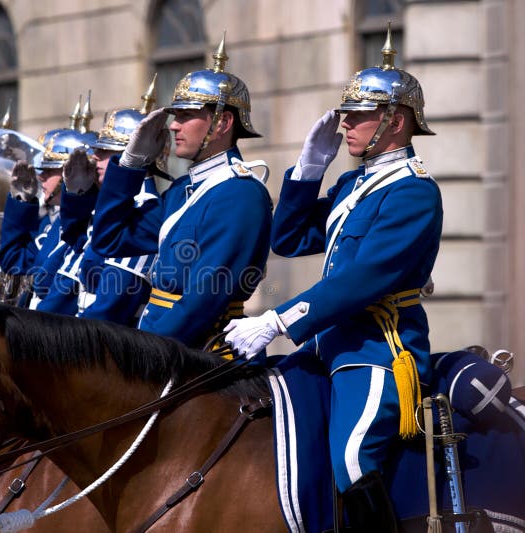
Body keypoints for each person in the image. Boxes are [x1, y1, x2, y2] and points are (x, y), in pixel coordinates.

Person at [223, 29, 442, 531]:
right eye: (346, 112)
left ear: (397, 119)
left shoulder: (413, 193)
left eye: (359, 114)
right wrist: (308, 169)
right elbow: (292, 238)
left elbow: (362, 280)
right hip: (328, 344)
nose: (345, 123)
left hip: (376, 351)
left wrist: (277, 318)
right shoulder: (354, 184)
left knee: (350, 459)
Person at [91, 37, 273, 347]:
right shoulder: (181, 190)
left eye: (187, 116)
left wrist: (145, 352)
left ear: (222, 122)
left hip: (200, 351)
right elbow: (110, 238)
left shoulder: (241, 195)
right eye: (176, 116)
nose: (175, 126)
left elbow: (203, 301)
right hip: (163, 342)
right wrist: (131, 166)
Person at [44, 78, 163, 325]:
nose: (95, 156)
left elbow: (112, 304)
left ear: (136, 154)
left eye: (108, 151)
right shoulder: (111, 207)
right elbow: (75, 253)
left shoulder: (144, 209)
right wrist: (76, 196)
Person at [0, 98, 98, 310]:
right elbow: (13, 261)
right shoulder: (56, 224)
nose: (41, 177)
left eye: (50, 171)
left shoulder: (91, 222)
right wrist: (22, 203)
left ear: (71, 173)